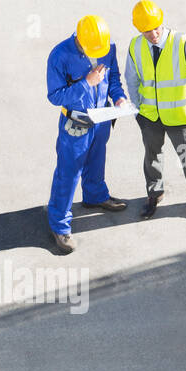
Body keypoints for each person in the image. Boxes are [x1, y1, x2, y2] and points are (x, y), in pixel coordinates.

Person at [124, 0, 186, 223]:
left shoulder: (183, 43)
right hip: (150, 116)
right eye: (147, 31)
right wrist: (138, 108)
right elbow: (132, 78)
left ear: (162, 22)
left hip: (181, 116)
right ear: (139, 29)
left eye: (156, 28)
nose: (154, 34)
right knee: (152, 158)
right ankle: (154, 195)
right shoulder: (135, 46)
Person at [45, 14, 130, 253]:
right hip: (76, 122)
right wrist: (87, 83)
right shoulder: (59, 55)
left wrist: (119, 96)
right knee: (68, 172)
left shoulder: (107, 46)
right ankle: (59, 226)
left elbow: (113, 77)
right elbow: (55, 96)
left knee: (96, 160)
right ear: (80, 40)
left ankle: (95, 195)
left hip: (102, 118)